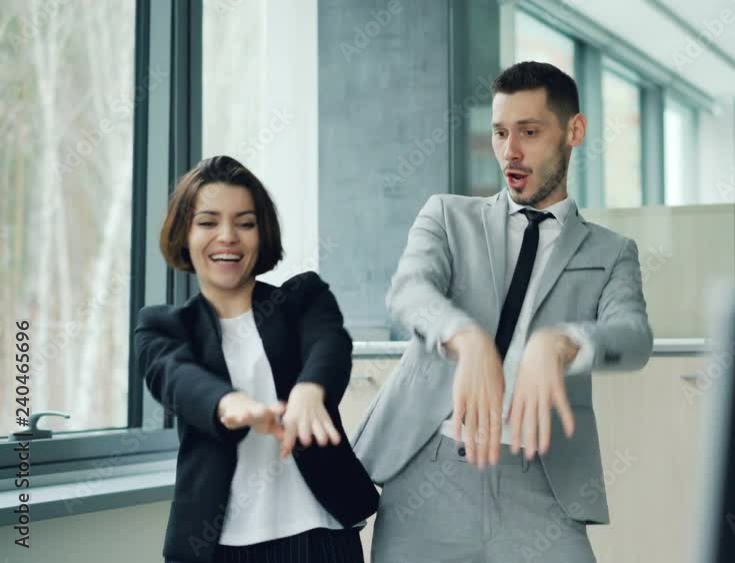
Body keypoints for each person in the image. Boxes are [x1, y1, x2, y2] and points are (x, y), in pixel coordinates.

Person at [353, 62, 653, 562]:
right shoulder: (449, 217)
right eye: (499, 133)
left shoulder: (612, 250)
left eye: (529, 132)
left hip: (541, 481)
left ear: (574, 131)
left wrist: (562, 342)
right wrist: (465, 338)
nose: (509, 152)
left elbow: (633, 336)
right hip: (429, 474)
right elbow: (409, 293)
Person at [134, 156, 378, 563]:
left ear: (262, 234)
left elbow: (329, 345)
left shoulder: (303, 299)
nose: (227, 236)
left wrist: (309, 390)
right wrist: (231, 405)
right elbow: (176, 378)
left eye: (245, 223)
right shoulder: (163, 326)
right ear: (184, 234)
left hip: (320, 535)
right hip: (220, 545)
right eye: (208, 222)